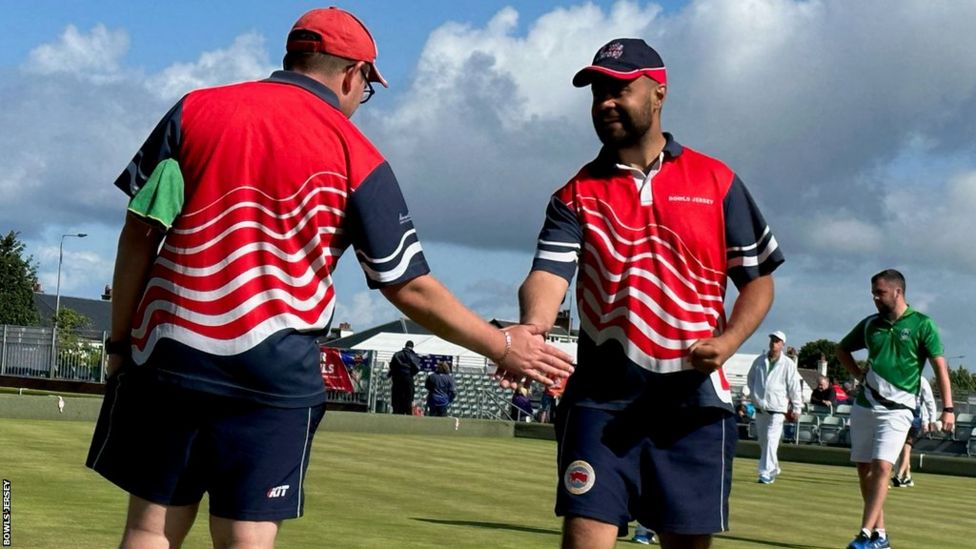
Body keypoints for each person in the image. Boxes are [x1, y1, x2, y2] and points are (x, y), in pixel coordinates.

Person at [85, 7, 575, 549]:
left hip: (170, 355)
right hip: (272, 371)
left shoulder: (194, 109)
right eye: (366, 86)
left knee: (149, 529)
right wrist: (501, 345)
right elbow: (407, 285)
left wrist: (120, 341)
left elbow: (138, 234)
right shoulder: (355, 152)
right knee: (246, 537)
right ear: (351, 75)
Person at [517, 38, 783, 549]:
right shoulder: (575, 193)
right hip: (601, 402)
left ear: (658, 94)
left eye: (619, 89)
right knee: (583, 539)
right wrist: (532, 327)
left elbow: (758, 279)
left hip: (693, 405)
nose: (606, 102)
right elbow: (549, 273)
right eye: (598, 92)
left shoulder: (716, 180)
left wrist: (728, 343)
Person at [836, 269, 954, 549]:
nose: (875, 298)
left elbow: (940, 367)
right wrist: (858, 375)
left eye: (880, 292)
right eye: (873, 293)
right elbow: (842, 349)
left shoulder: (923, 324)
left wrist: (947, 408)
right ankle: (880, 535)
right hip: (865, 405)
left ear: (898, 292)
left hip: (899, 408)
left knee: (882, 466)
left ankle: (864, 534)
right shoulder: (870, 324)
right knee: (864, 467)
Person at [746, 331, 803, 484]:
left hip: (778, 408)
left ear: (782, 344)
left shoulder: (788, 364)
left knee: (771, 440)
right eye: (772, 340)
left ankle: (764, 473)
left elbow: (794, 387)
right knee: (764, 442)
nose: (773, 343)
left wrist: (797, 407)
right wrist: (754, 395)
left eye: (777, 341)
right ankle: (774, 468)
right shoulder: (759, 360)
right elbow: (750, 379)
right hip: (760, 408)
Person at [892, 375, 937, 488]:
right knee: (903, 447)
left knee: (906, 447)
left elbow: (929, 401)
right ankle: (907, 476)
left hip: (914, 415)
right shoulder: (901, 377)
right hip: (901, 411)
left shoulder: (921, 380)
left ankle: (899, 474)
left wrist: (931, 420)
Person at [389, 340, 421, 414]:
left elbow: (392, 366)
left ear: (405, 345)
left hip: (397, 378)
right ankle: (407, 412)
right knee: (408, 397)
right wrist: (410, 374)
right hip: (408, 378)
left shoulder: (397, 354)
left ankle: (397, 411)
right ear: (412, 347)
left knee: (397, 396)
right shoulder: (413, 355)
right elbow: (417, 368)